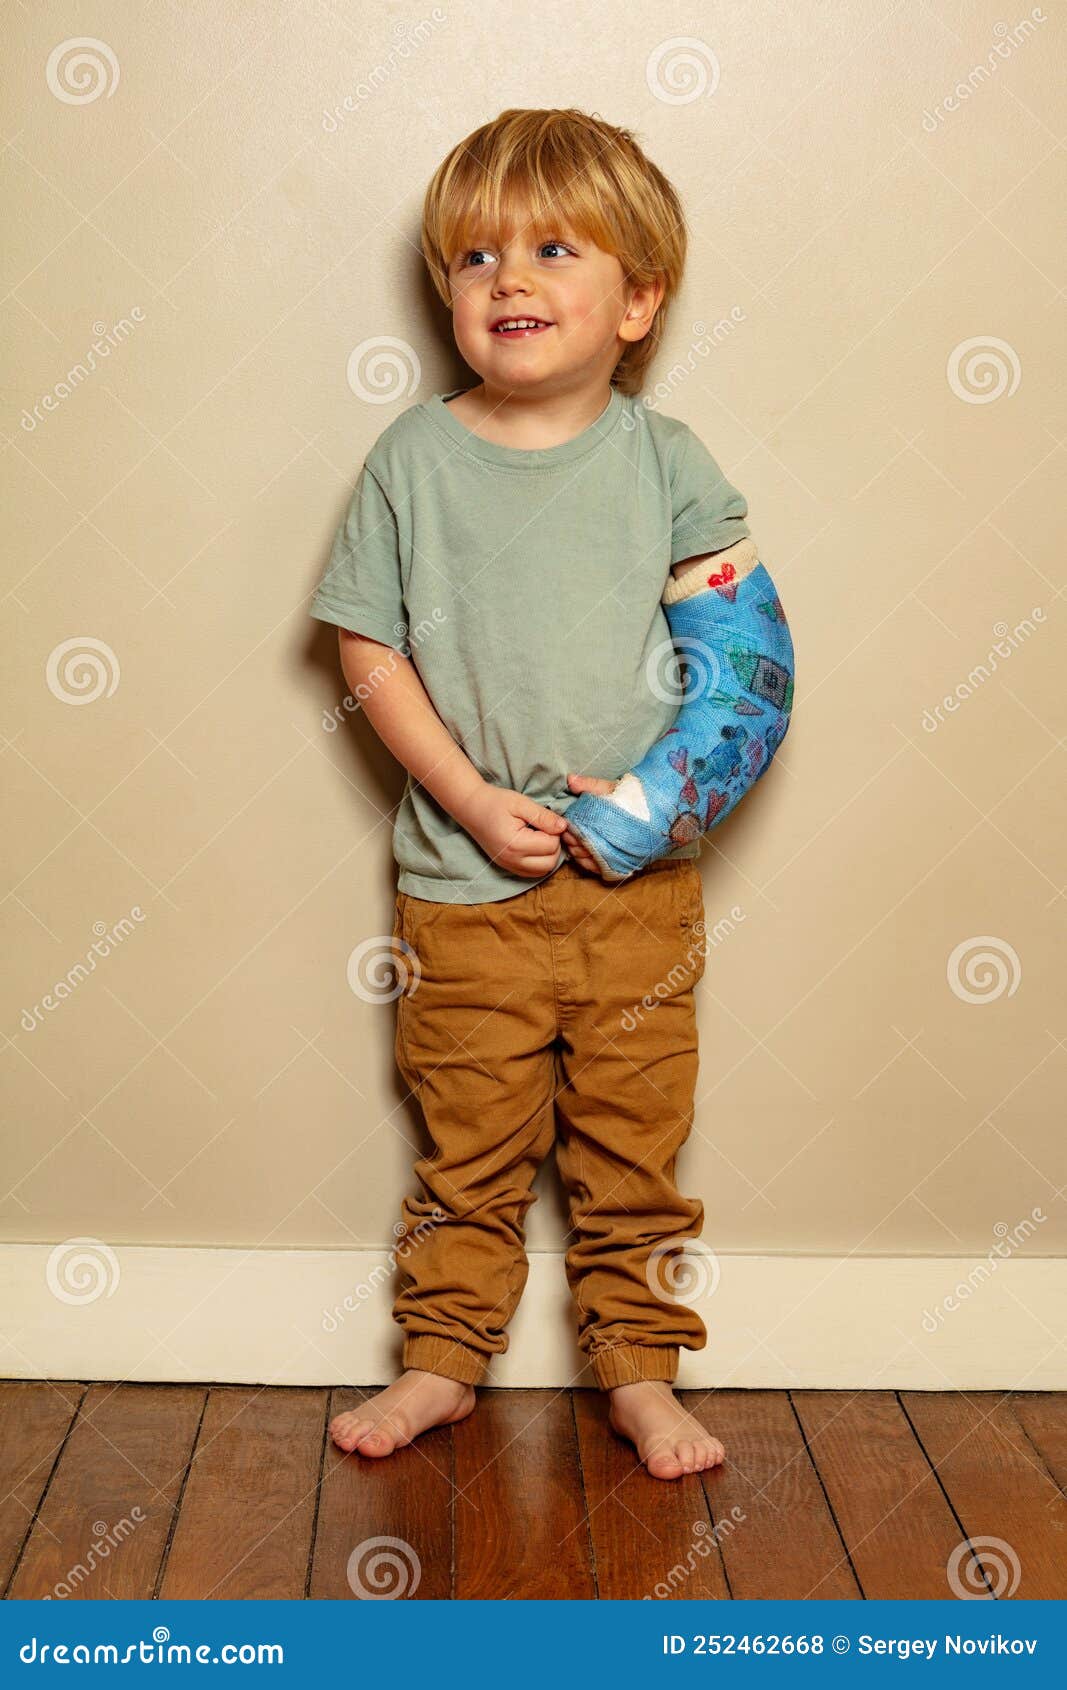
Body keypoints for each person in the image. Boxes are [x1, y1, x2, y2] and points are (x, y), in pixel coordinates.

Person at [308, 107, 794, 1480]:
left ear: (637, 300)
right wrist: (464, 796)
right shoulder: (413, 460)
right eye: (471, 258)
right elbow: (365, 647)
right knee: (467, 1149)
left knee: (633, 1148)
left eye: (552, 248)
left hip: (636, 885)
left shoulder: (668, 460)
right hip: (466, 890)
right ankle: (441, 1361)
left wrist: (650, 803)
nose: (505, 278)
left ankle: (640, 1370)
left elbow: (746, 668)